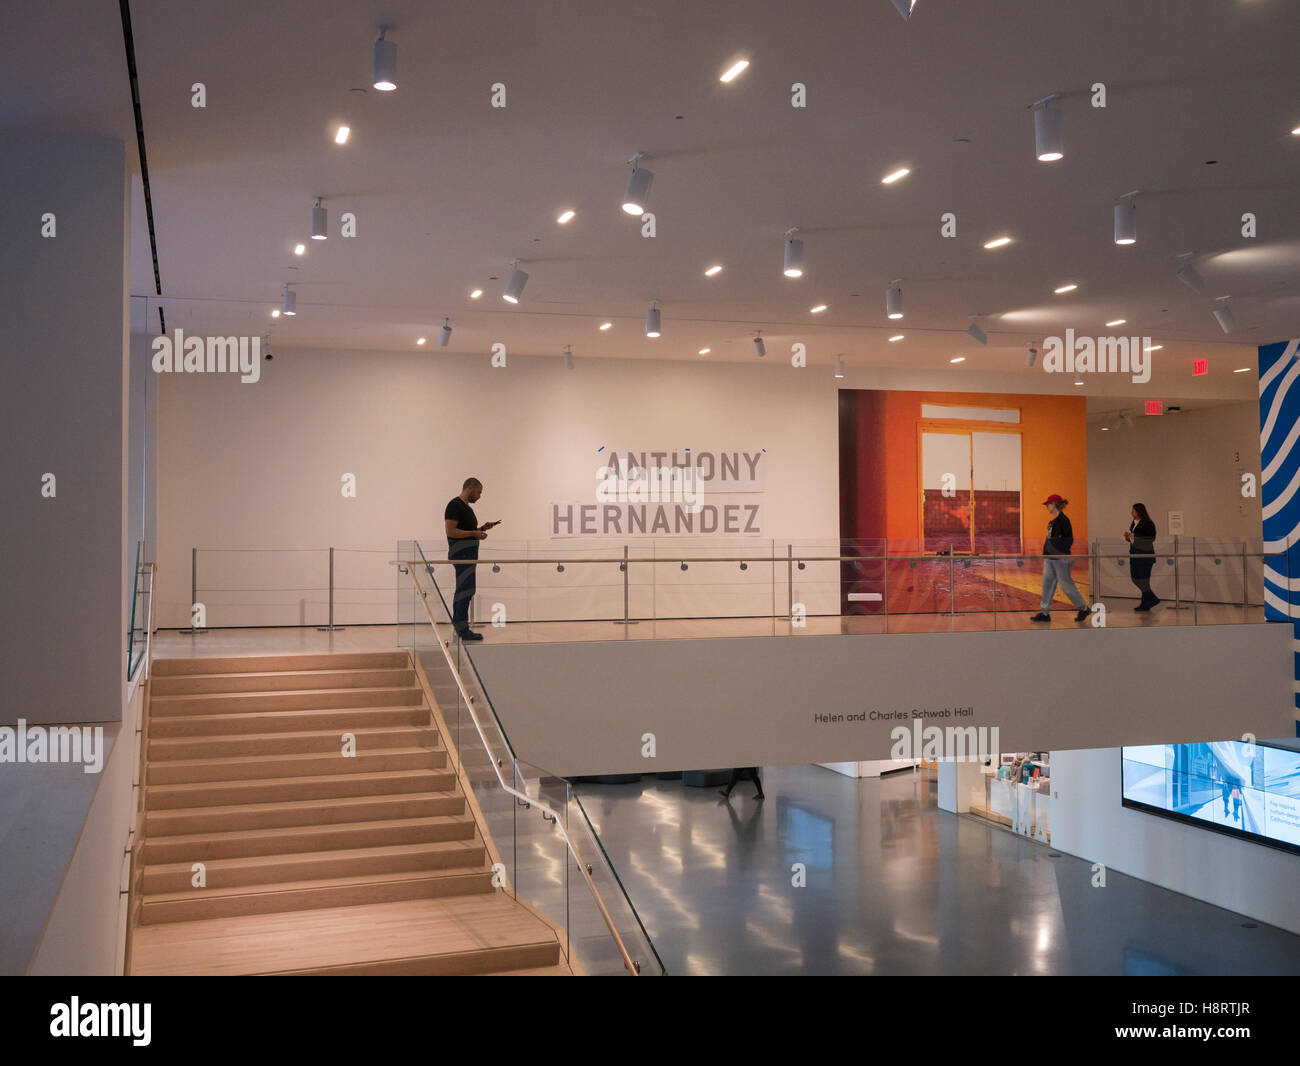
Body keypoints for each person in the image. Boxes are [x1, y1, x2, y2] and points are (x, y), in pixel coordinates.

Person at [444, 477, 500, 641]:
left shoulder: (466, 508)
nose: (480, 496)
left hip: (468, 554)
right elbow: (451, 532)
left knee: (466, 590)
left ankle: (460, 627)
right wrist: (474, 533)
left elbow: (465, 532)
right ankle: (462, 629)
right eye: (478, 492)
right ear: (469, 488)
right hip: (462, 555)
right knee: (465, 591)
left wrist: (481, 529)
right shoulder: (455, 505)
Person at [1029, 494, 1089, 623]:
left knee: (1066, 585)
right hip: (1050, 559)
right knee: (1047, 585)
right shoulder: (1052, 522)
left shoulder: (1064, 521)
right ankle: (1045, 613)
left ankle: (1083, 608)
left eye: (1048, 504)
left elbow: (1069, 540)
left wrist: (1057, 550)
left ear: (1055, 504)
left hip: (1060, 559)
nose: (1047, 507)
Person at [1123, 502, 1159, 611]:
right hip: (1135, 554)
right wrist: (1128, 537)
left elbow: (1150, 539)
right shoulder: (1134, 523)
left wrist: (1134, 537)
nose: (1131, 513)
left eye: (1133, 511)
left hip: (1145, 556)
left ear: (1139, 511)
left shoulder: (1148, 523)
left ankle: (1148, 602)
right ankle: (1149, 601)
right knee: (1135, 578)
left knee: (1143, 580)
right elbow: (1133, 539)